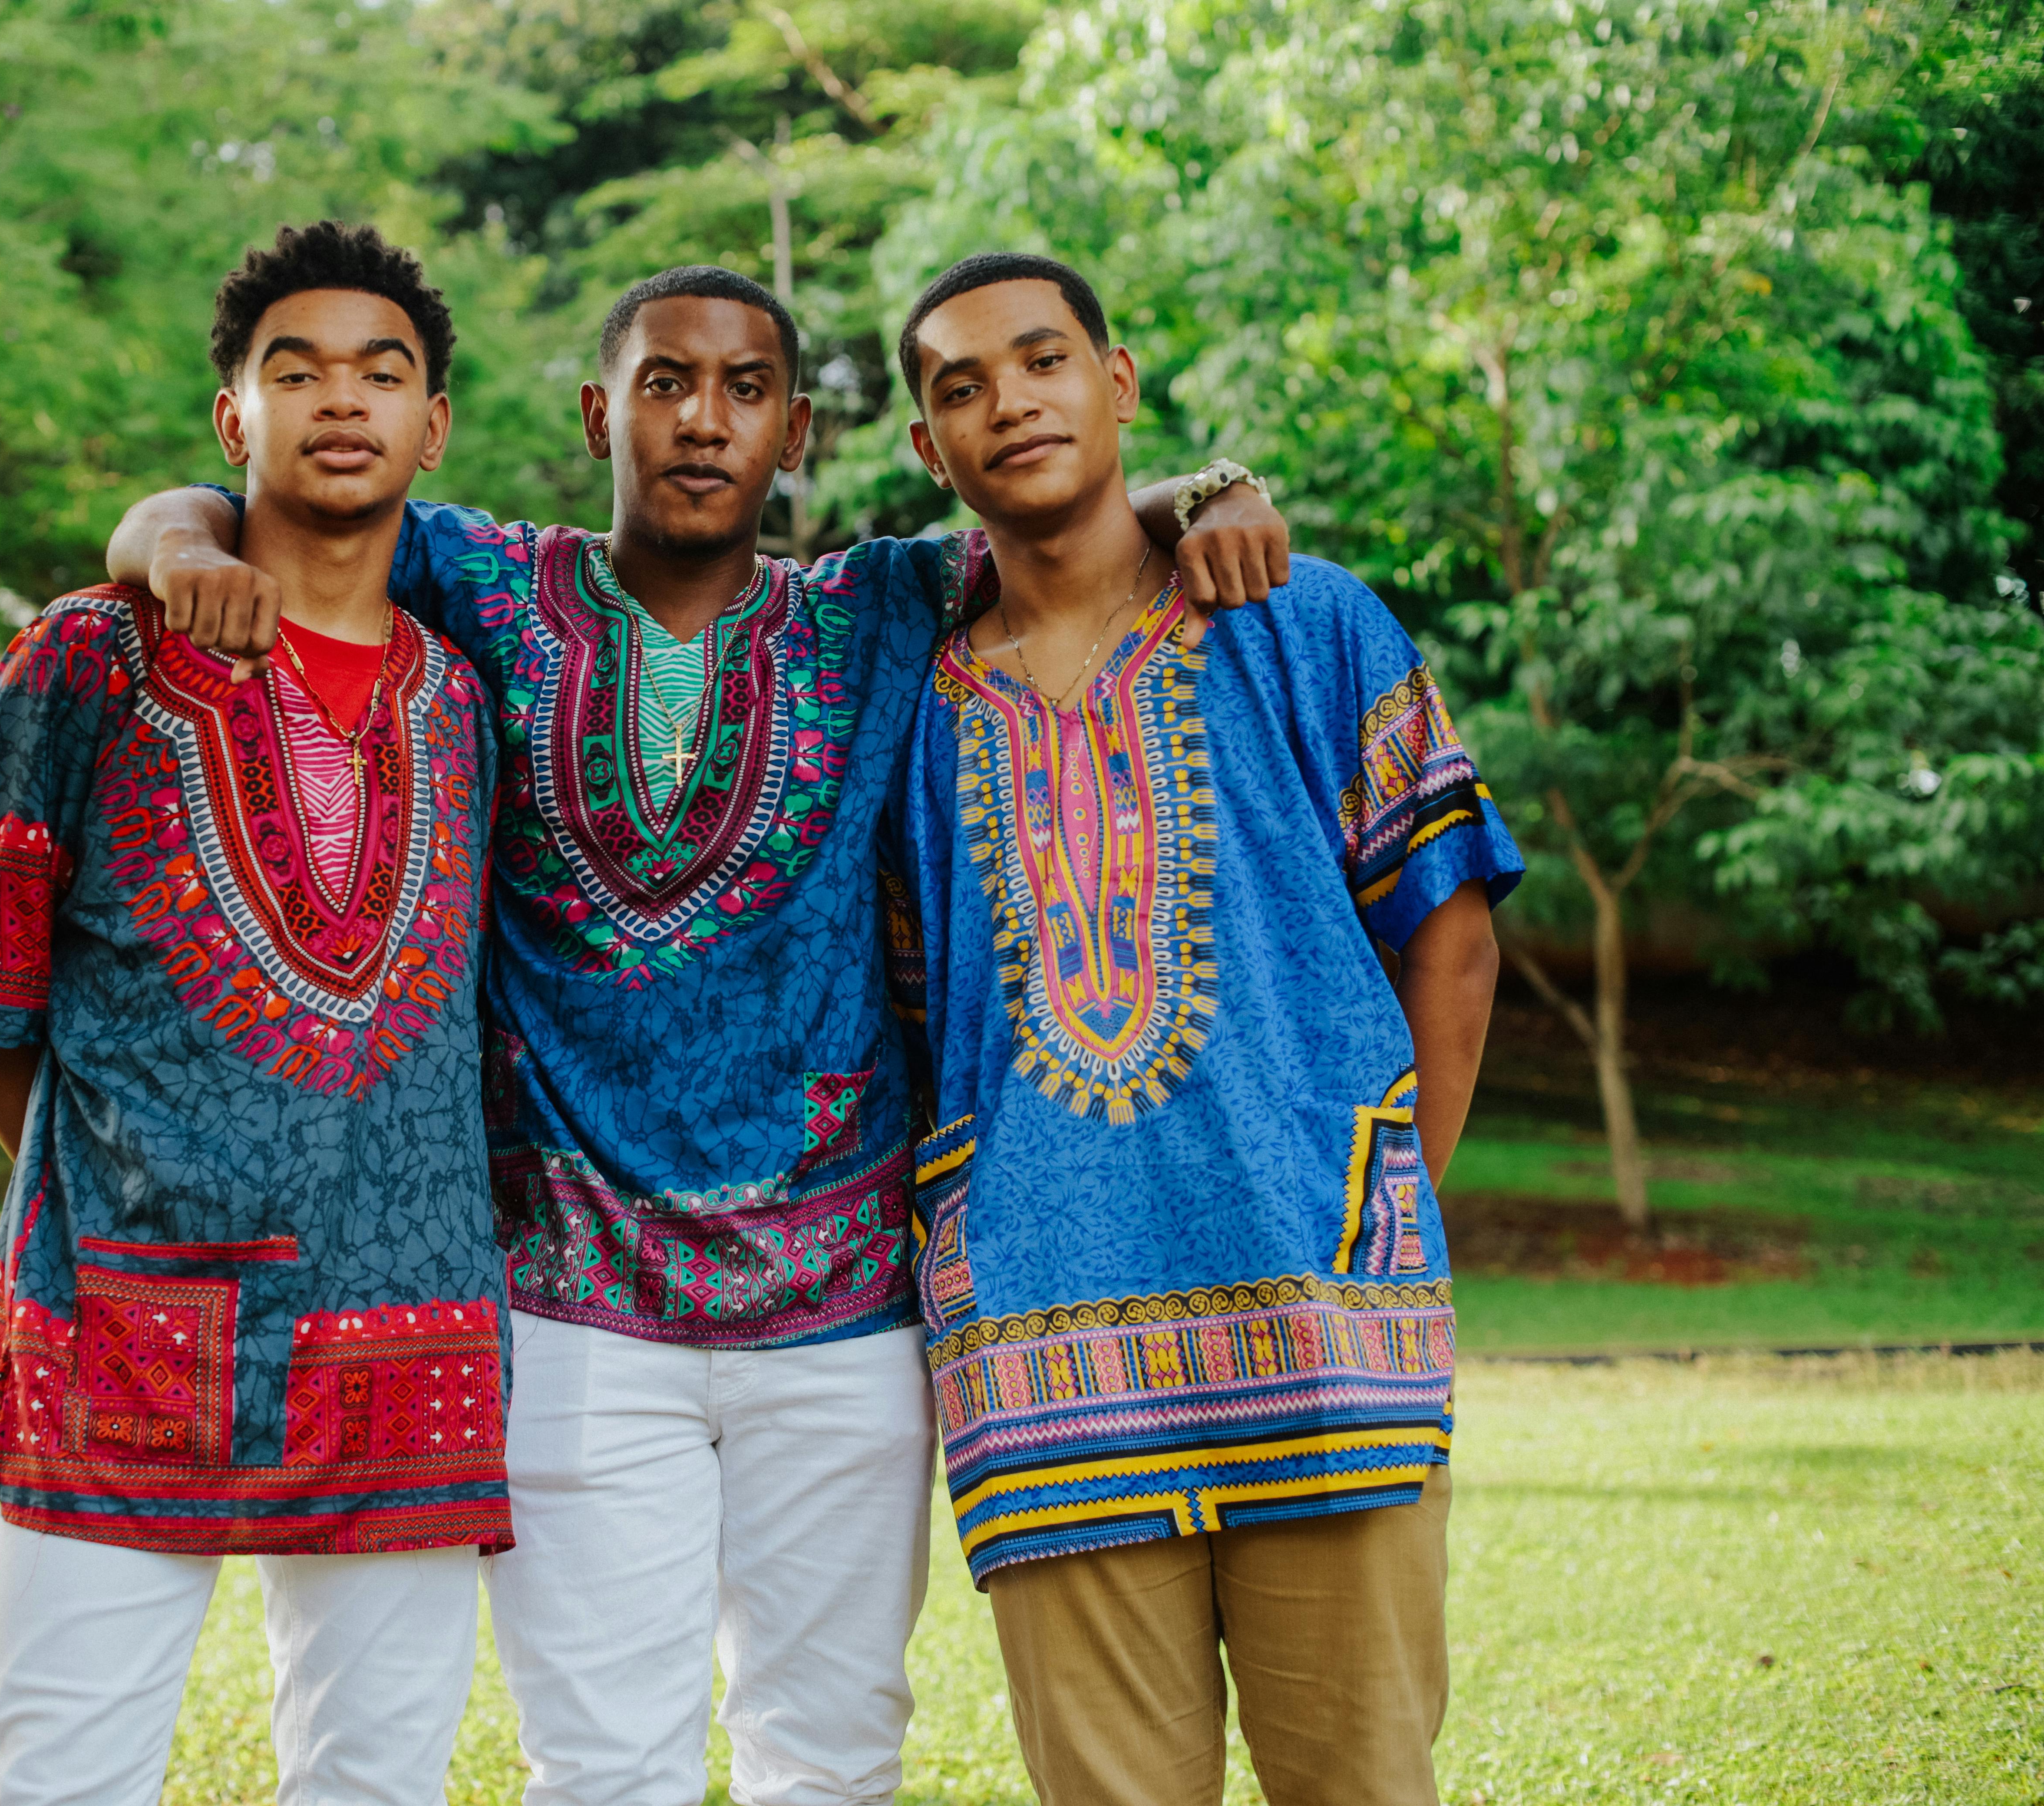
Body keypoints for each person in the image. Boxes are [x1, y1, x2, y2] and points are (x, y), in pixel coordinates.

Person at [106, 260, 1291, 1806]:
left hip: (848, 1319)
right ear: (604, 415)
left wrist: (1217, 488)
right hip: (576, 1313)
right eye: (666, 384)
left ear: (796, 430)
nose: (705, 421)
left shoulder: (877, 609)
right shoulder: (483, 585)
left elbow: (1065, 519)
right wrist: (171, 534)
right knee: (606, 1767)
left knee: (833, 1755)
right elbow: (252, 497)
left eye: (745, 391)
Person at [884, 250, 1523, 1806]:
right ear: (928, 451)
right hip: (1041, 1355)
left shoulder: (1305, 620)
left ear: (1118, 383)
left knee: (1362, 1780)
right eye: (959, 388)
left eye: (1042, 361)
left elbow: (1451, 936)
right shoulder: (906, 699)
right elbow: (911, 1012)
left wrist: (1387, 1200)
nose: (1007, 403)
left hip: (1326, 1335)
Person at [0, 221, 507, 1806]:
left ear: (432, 429)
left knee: (378, 1779)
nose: (342, 400)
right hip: (119, 1320)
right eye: (294, 368)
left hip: (410, 1325)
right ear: (230, 418)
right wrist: (128, 1175)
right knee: (62, 1768)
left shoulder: (466, 697)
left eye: (383, 373)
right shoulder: (91, 656)